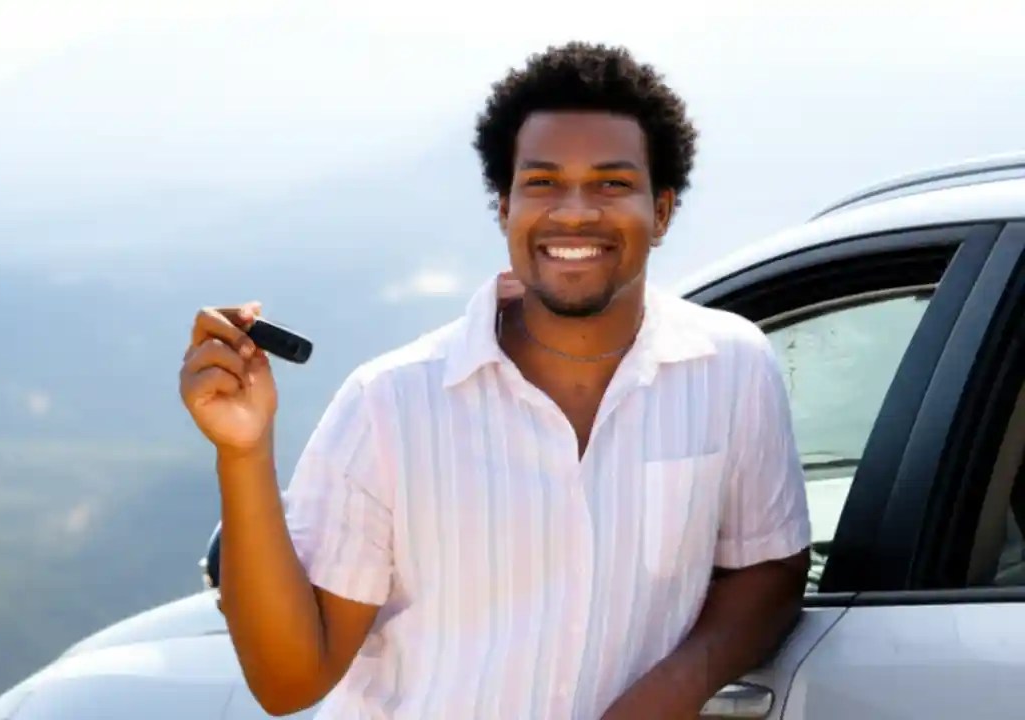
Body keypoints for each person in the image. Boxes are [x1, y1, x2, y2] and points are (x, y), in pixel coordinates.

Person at [179, 41, 811, 719]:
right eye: (542, 183)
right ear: (504, 208)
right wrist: (243, 451)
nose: (574, 211)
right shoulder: (389, 405)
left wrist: (674, 689)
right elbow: (289, 684)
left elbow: (770, 568)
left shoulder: (732, 368)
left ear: (660, 212)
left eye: (611, 182)